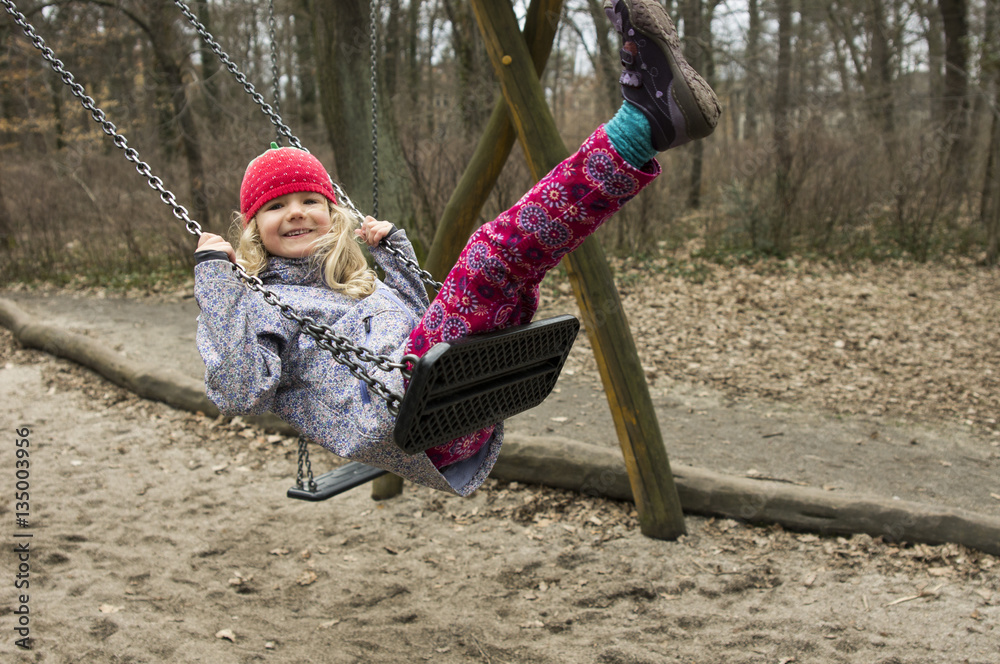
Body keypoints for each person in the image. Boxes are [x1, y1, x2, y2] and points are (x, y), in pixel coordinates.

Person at [193, 0, 721, 496]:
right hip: (410, 415)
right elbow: (239, 391)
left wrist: (394, 255)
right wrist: (217, 282)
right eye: (275, 206)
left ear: (332, 213)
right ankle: (640, 127)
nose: (296, 212)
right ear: (252, 227)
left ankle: (644, 126)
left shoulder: (350, 280)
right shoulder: (255, 306)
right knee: (492, 255)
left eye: (310, 200)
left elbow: (417, 323)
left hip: (455, 401)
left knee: (519, 267)